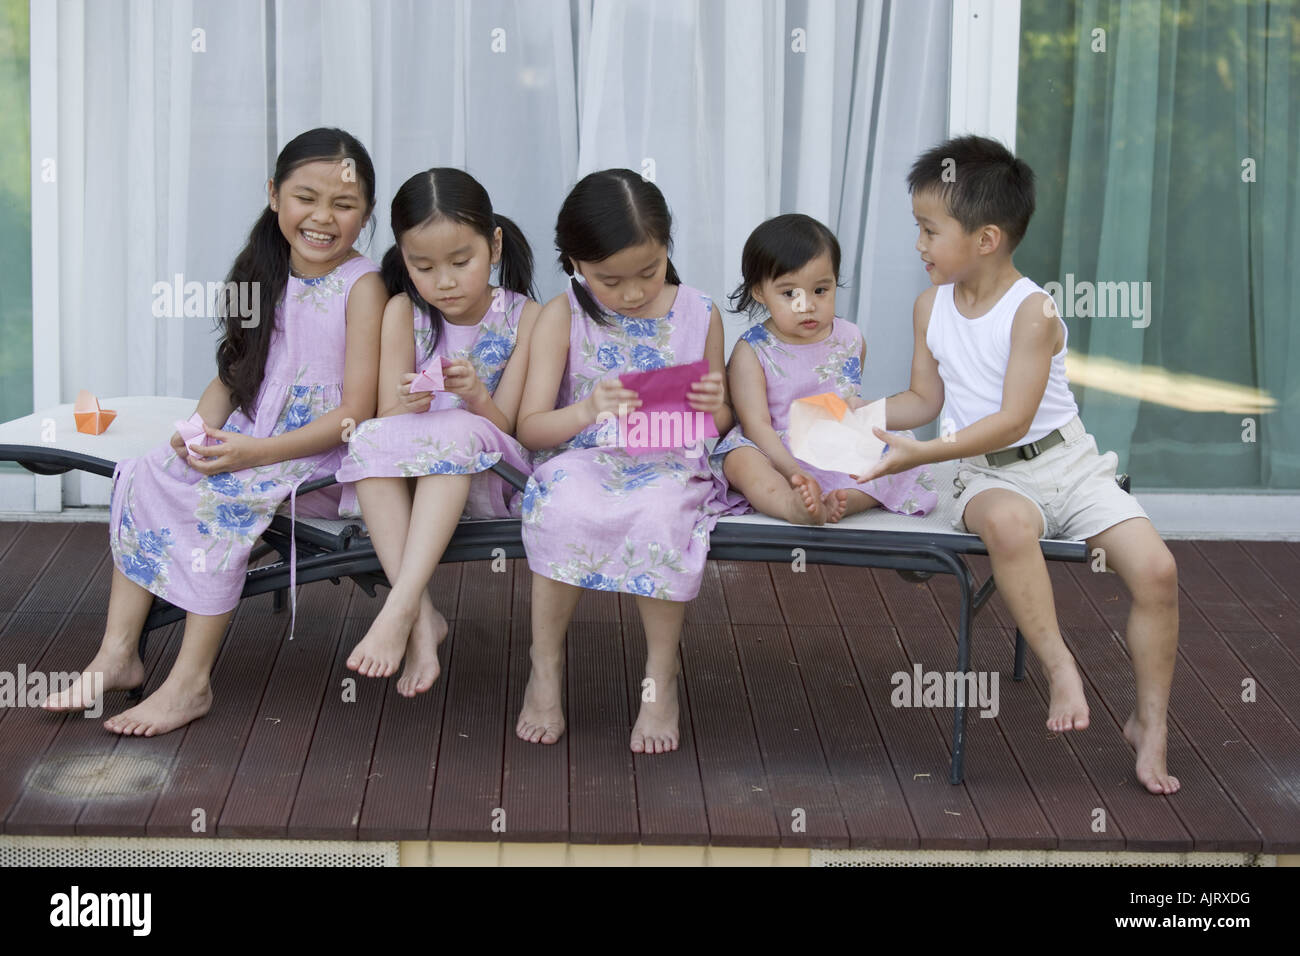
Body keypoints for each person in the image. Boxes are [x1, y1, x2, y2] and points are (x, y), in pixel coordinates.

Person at [855, 135, 1180, 794]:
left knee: (1157, 571)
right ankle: (1060, 665)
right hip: (985, 475)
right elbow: (926, 398)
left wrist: (920, 452)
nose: (918, 244)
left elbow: (1015, 418)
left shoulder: (1033, 312)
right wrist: (854, 419)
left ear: (987, 238)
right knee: (1006, 526)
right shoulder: (932, 306)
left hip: (1069, 464)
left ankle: (1151, 724)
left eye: (928, 230)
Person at [43, 128, 387, 736]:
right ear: (274, 194)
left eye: (344, 204)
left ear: (366, 212)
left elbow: (353, 415)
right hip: (255, 444)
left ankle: (190, 682)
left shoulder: (363, 287)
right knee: (150, 470)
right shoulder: (264, 271)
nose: (323, 218)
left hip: (322, 460)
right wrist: (197, 432)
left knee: (221, 497)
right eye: (306, 197)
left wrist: (254, 451)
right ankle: (118, 652)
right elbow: (233, 377)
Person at [514, 169, 731, 754]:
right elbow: (532, 427)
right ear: (575, 265)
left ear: (667, 251)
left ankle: (661, 679)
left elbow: (719, 421)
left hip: (669, 460)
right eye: (610, 280)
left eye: (649, 272)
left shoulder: (698, 312)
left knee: (662, 512)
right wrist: (588, 407)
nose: (633, 293)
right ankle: (545, 668)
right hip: (584, 458)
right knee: (560, 503)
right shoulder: (564, 316)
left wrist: (716, 406)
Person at [336, 168, 539, 696]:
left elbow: (514, 431)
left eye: (460, 262)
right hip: (415, 477)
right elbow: (384, 418)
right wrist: (408, 402)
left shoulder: (524, 317)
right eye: (422, 266)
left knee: (455, 431)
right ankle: (421, 618)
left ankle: (398, 607)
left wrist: (476, 397)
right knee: (369, 439)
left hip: (493, 477)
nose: (443, 282)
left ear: (494, 245)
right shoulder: (404, 310)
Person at [712, 213, 937, 524]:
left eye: (820, 290)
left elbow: (848, 402)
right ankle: (791, 504)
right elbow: (755, 425)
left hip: (832, 442)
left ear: (834, 282)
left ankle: (843, 501)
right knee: (739, 460)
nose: (807, 305)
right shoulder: (752, 350)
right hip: (773, 449)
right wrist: (792, 470)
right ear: (760, 292)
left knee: (902, 452)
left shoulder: (850, 338)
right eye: (789, 293)